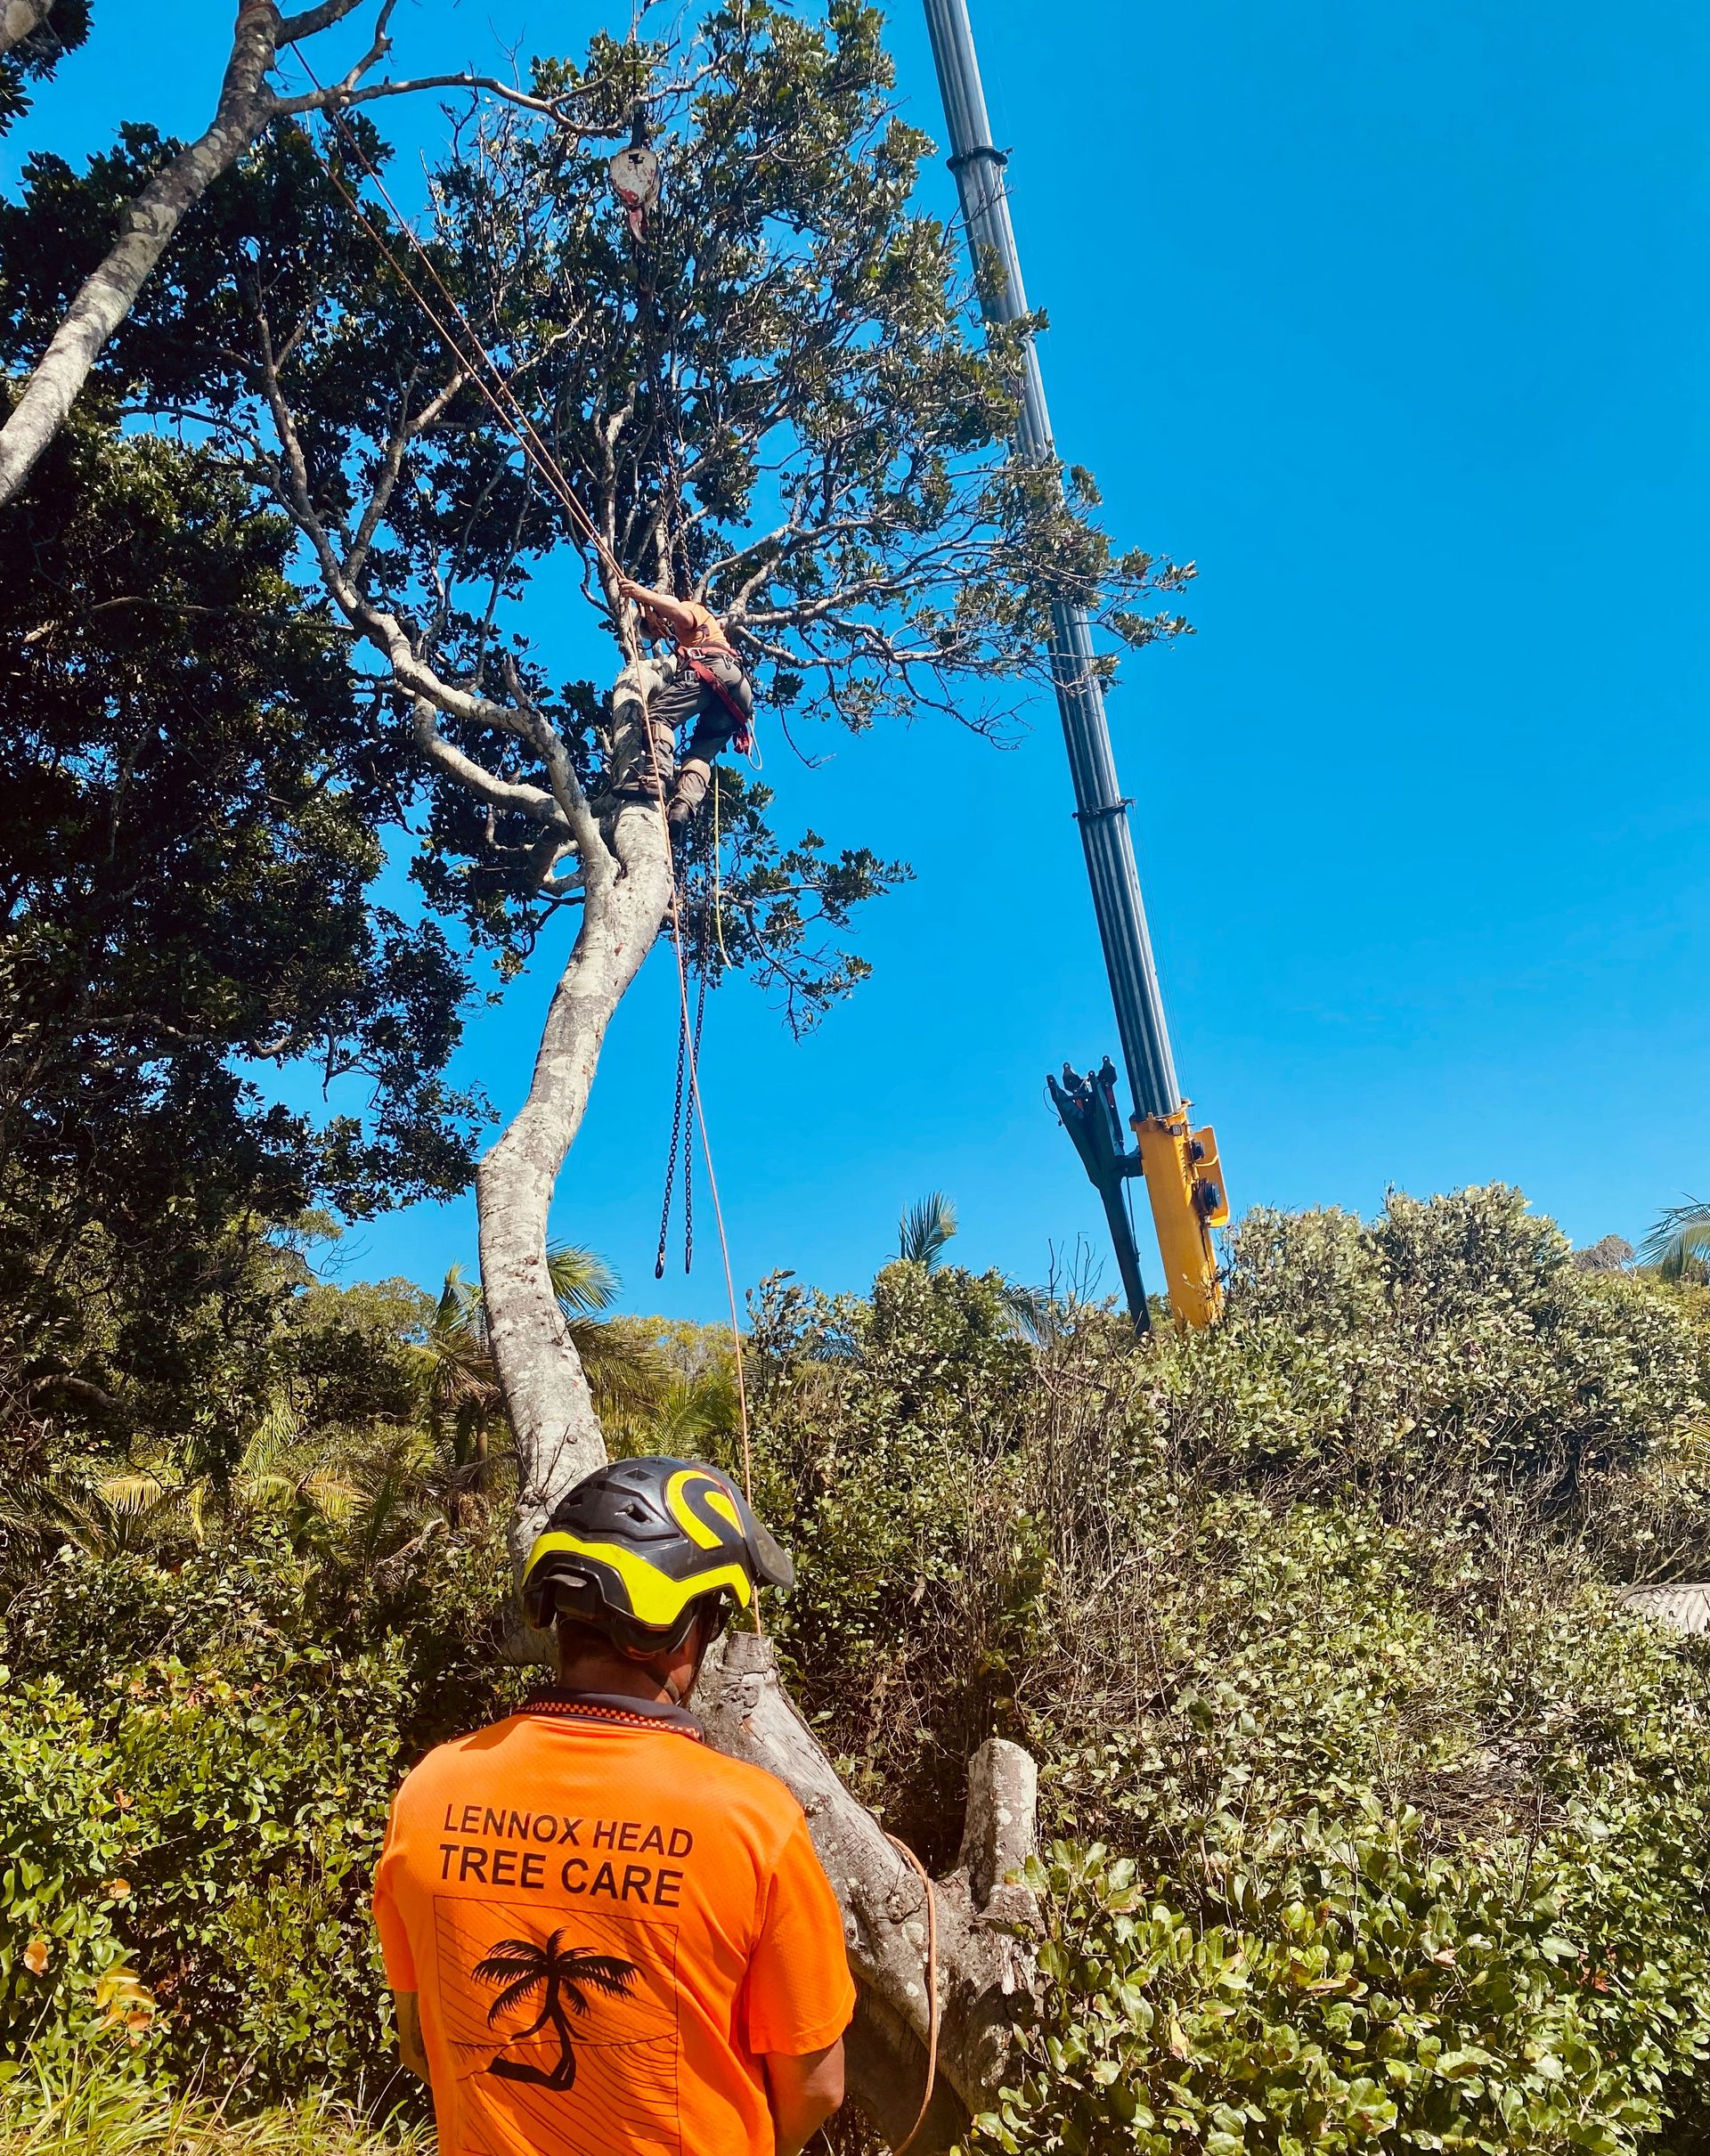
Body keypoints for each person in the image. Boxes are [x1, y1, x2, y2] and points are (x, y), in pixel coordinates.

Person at [372, 1456, 853, 2156]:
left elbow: (422, 2042)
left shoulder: (431, 1789)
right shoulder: (752, 1820)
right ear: (684, 1629)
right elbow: (817, 2085)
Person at [615, 575, 755, 826]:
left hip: (714, 670)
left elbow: (682, 615)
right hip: (739, 693)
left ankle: (655, 777)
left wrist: (642, 594)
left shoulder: (691, 608)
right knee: (699, 755)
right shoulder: (704, 636)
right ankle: (682, 808)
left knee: (658, 717)